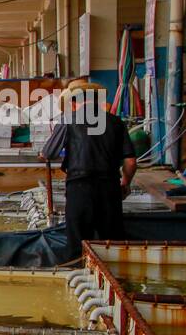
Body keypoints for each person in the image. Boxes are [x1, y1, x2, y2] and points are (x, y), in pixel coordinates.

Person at [42, 79, 137, 263]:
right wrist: (125, 183)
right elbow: (131, 162)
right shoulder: (116, 123)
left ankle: (78, 283)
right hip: (110, 189)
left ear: (75, 102)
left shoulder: (68, 120)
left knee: (77, 249)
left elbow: (48, 153)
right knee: (112, 247)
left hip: (79, 189)